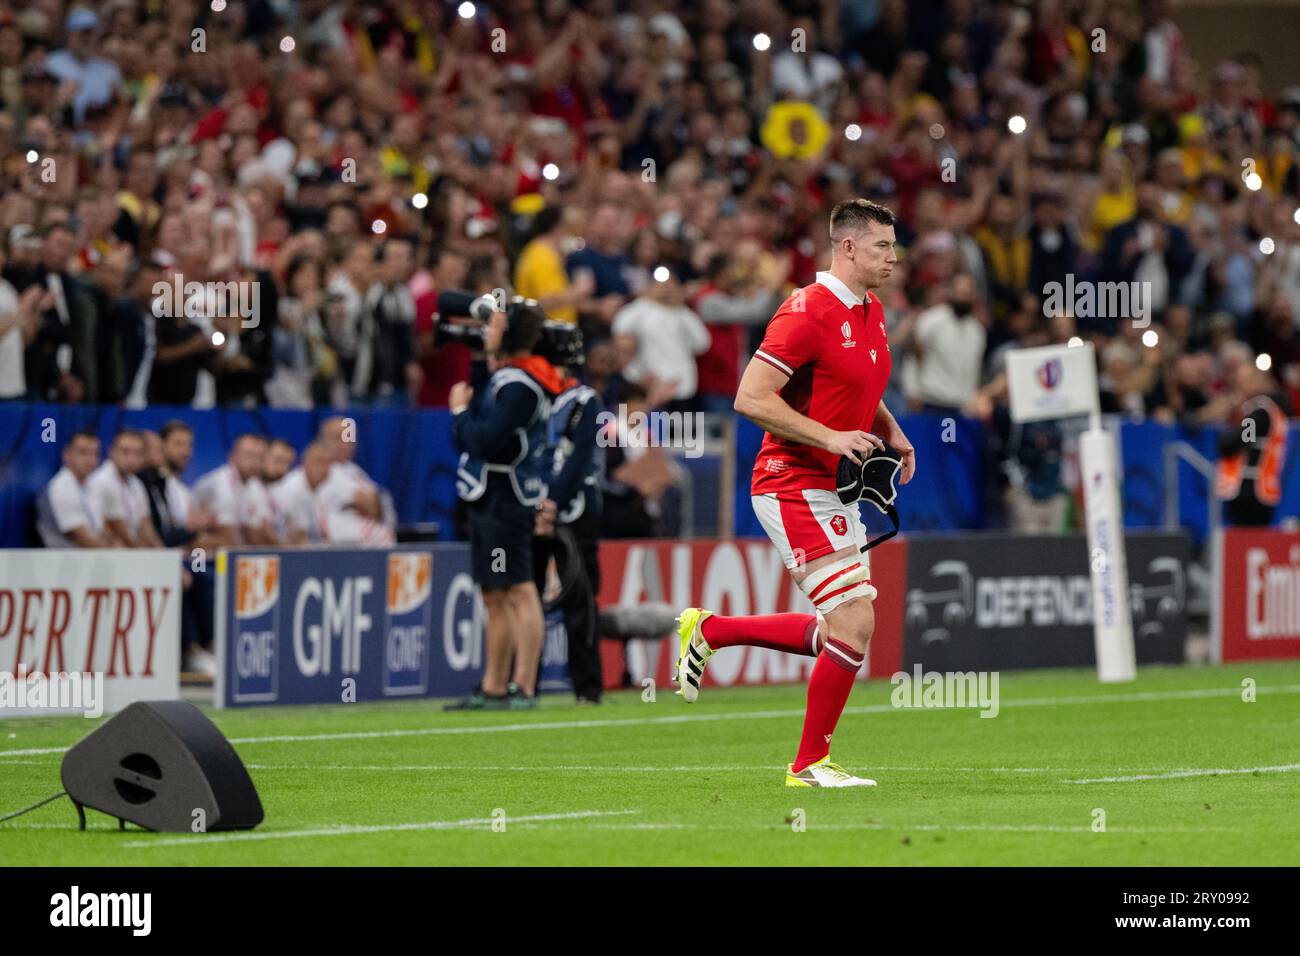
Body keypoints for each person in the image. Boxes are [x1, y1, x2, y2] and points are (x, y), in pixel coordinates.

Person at [675, 199, 915, 788]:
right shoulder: (804, 310)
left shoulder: (871, 309)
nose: (893, 256)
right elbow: (750, 398)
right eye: (882, 246)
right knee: (856, 620)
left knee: (843, 628)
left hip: (834, 487)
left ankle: (710, 631)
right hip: (791, 483)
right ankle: (809, 766)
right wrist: (831, 435)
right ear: (848, 247)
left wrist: (893, 430)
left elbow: (855, 378)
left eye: (893, 245)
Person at [446, 299, 559, 710]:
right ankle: (494, 685)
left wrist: (458, 413)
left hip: (506, 494)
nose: (485, 332)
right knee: (494, 591)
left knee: (518, 587)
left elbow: (488, 440)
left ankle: (523, 686)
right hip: (491, 493)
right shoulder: (512, 378)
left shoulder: (519, 384)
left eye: (493, 326)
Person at [532, 325, 605, 704]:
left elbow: (579, 460)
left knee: (580, 599)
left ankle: (588, 688)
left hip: (573, 510)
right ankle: (524, 684)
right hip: (535, 503)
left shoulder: (583, 399)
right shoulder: (535, 395)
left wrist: (552, 502)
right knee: (528, 595)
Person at [192, 434, 279, 546]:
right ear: (232, 456)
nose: (254, 462)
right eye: (249, 455)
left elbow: (255, 534)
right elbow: (226, 537)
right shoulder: (221, 483)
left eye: (259, 457)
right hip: (195, 554)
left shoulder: (254, 486)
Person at [86, 429, 162, 548]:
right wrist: (142, 554)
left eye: (137, 453)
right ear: (112, 452)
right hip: (108, 549)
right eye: (125, 452)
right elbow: (117, 529)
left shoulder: (136, 484)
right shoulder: (102, 481)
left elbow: (145, 526)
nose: (131, 459)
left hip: (130, 547)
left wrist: (162, 552)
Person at [36, 429, 110, 547]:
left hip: (93, 557)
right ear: (67, 455)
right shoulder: (61, 487)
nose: (90, 460)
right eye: (83, 453)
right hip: (65, 559)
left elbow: (102, 530)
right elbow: (84, 540)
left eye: (95, 453)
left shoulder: (93, 484)